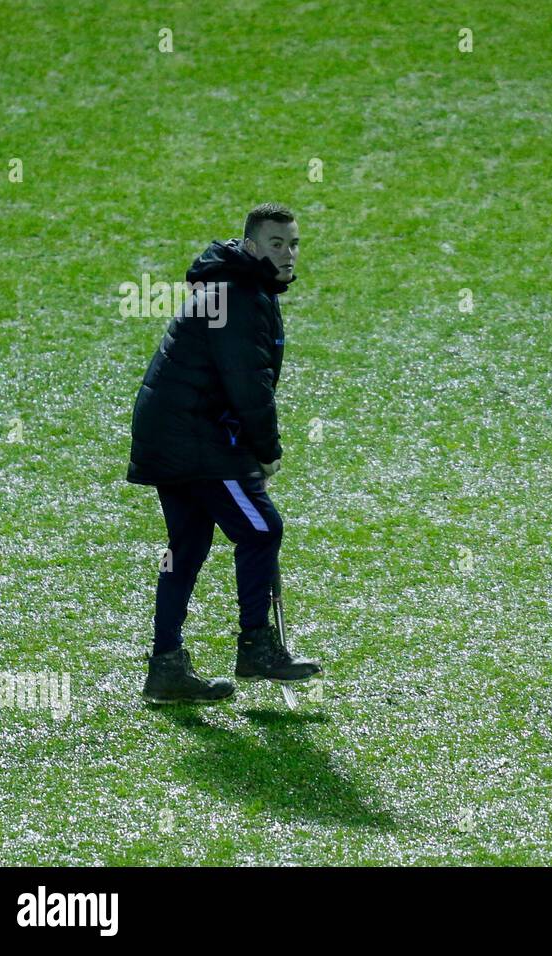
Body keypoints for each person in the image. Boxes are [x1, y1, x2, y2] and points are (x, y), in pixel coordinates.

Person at [127, 203, 321, 702]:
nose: (288, 253)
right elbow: (248, 384)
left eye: (294, 243)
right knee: (261, 529)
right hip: (200, 441)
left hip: (174, 434)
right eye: (277, 244)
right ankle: (256, 646)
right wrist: (266, 450)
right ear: (252, 245)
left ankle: (165, 667)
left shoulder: (236, 283)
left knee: (186, 548)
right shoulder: (237, 294)